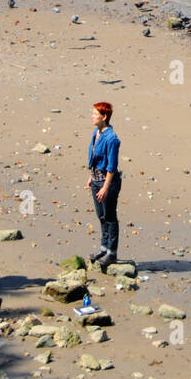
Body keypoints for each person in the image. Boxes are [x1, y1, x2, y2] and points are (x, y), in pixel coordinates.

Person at [86, 101, 121, 267]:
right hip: (95, 179)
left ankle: (112, 252)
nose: (92, 117)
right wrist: (90, 177)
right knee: (101, 216)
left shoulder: (112, 139)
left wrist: (105, 187)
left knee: (110, 217)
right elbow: (94, 156)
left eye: (95, 114)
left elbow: (111, 167)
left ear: (104, 116)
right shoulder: (96, 132)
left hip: (107, 183)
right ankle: (103, 247)